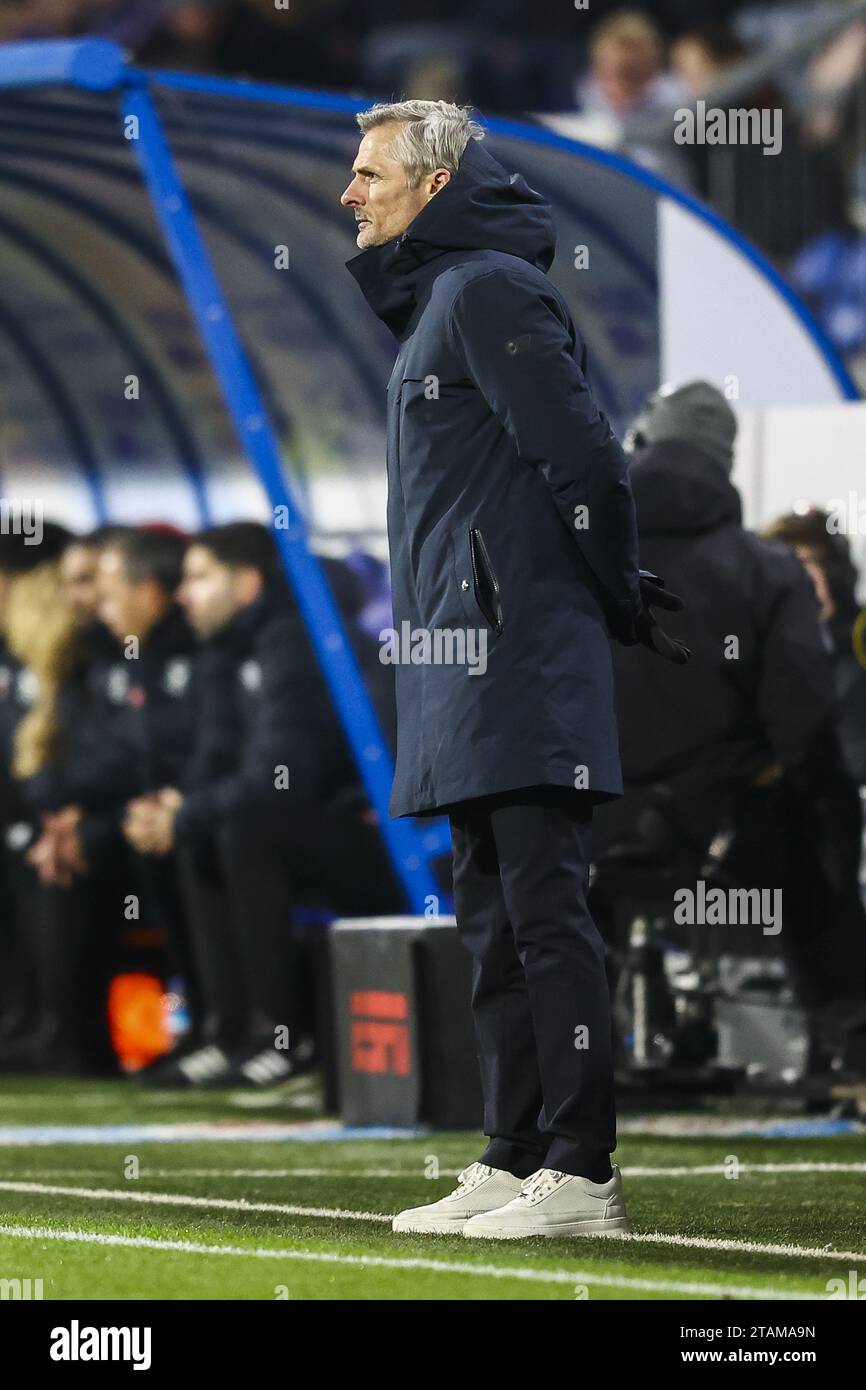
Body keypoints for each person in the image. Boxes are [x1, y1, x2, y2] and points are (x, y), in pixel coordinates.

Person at [341, 99, 686, 1238]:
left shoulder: (485, 287)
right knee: (491, 915)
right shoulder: (445, 300)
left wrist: (618, 587)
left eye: (368, 171)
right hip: (462, 658)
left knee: (543, 912)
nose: (350, 193)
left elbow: (584, 450)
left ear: (432, 184)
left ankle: (580, 1168)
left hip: (514, 655)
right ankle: (514, 1148)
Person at [596, 381, 866, 1078]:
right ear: (723, 462)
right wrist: (824, 811)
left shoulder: (582, 560)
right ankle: (845, 1046)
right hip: (724, 831)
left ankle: (558, 1068)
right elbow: (803, 723)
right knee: (821, 859)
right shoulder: (765, 568)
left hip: (590, 821)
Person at [123, 522, 404, 1088]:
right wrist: (171, 812)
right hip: (303, 827)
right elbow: (215, 756)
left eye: (200, 577)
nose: (184, 593)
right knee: (200, 829)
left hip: (380, 841)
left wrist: (187, 811)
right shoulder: (227, 650)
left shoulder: (295, 640)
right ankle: (221, 1031)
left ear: (248, 582)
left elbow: (284, 776)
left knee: (240, 828)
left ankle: (283, 1035)